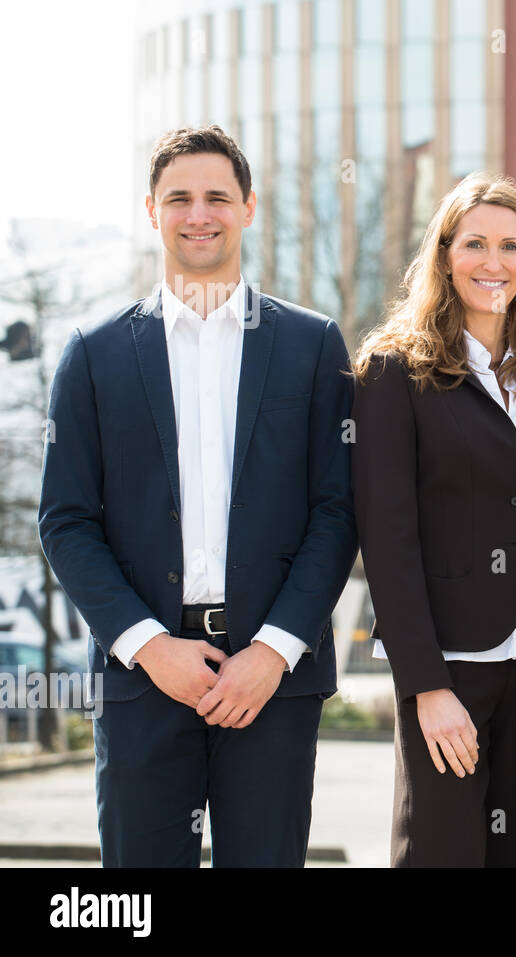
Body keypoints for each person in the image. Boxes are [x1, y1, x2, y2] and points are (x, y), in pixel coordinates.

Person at [37, 126, 356, 867]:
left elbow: (337, 511)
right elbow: (66, 521)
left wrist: (274, 651)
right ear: (151, 211)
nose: (199, 213)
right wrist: (149, 647)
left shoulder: (314, 346)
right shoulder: (94, 353)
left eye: (217, 196)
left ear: (248, 207)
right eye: (178, 197)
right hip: (145, 683)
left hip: (273, 684)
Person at [351, 173, 516, 867]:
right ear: (445, 254)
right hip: (451, 666)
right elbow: (387, 537)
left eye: (511, 245)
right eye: (475, 243)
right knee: (440, 852)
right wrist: (425, 684)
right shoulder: (394, 373)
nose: (493, 261)